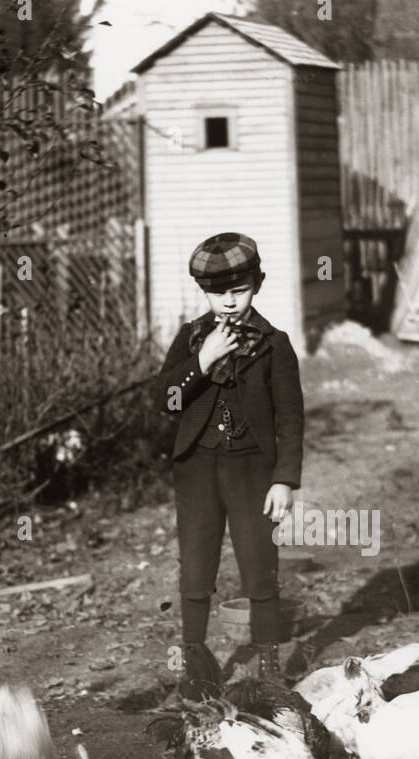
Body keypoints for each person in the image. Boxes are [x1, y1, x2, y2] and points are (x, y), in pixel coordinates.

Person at [157, 233, 304, 682]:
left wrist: (284, 480)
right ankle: (196, 665)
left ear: (257, 284)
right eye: (217, 293)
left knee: (260, 566)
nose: (228, 302)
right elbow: (166, 402)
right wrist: (202, 362)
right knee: (196, 567)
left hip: (252, 471)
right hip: (197, 469)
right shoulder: (191, 339)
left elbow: (290, 419)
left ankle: (270, 670)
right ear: (204, 293)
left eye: (238, 291)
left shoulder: (274, 344)